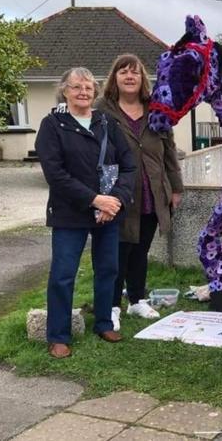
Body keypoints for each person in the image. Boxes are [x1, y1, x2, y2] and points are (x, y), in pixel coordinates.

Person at [35, 67, 135, 359]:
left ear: (96, 92)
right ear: (64, 90)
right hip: (70, 212)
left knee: (108, 270)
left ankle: (104, 322)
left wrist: (114, 201)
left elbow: (129, 165)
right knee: (63, 275)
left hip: (108, 212)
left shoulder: (107, 122)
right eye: (77, 87)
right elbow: (55, 174)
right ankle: (58, 335)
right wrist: (95, 200)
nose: (83, 92)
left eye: (89, 88)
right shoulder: (52, 124)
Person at [96, 54, 184, 330]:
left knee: (141, 250)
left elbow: (169, 149)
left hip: (152, 191)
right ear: (115, 78)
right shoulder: (102, 110)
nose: (129, 77)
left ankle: (136, 299)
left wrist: (176, 187)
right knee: (118, 252)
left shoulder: (156, 109)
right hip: (119, 193)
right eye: (123, 72)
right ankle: (111, 306)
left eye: (134, 72)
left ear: (142, 78)